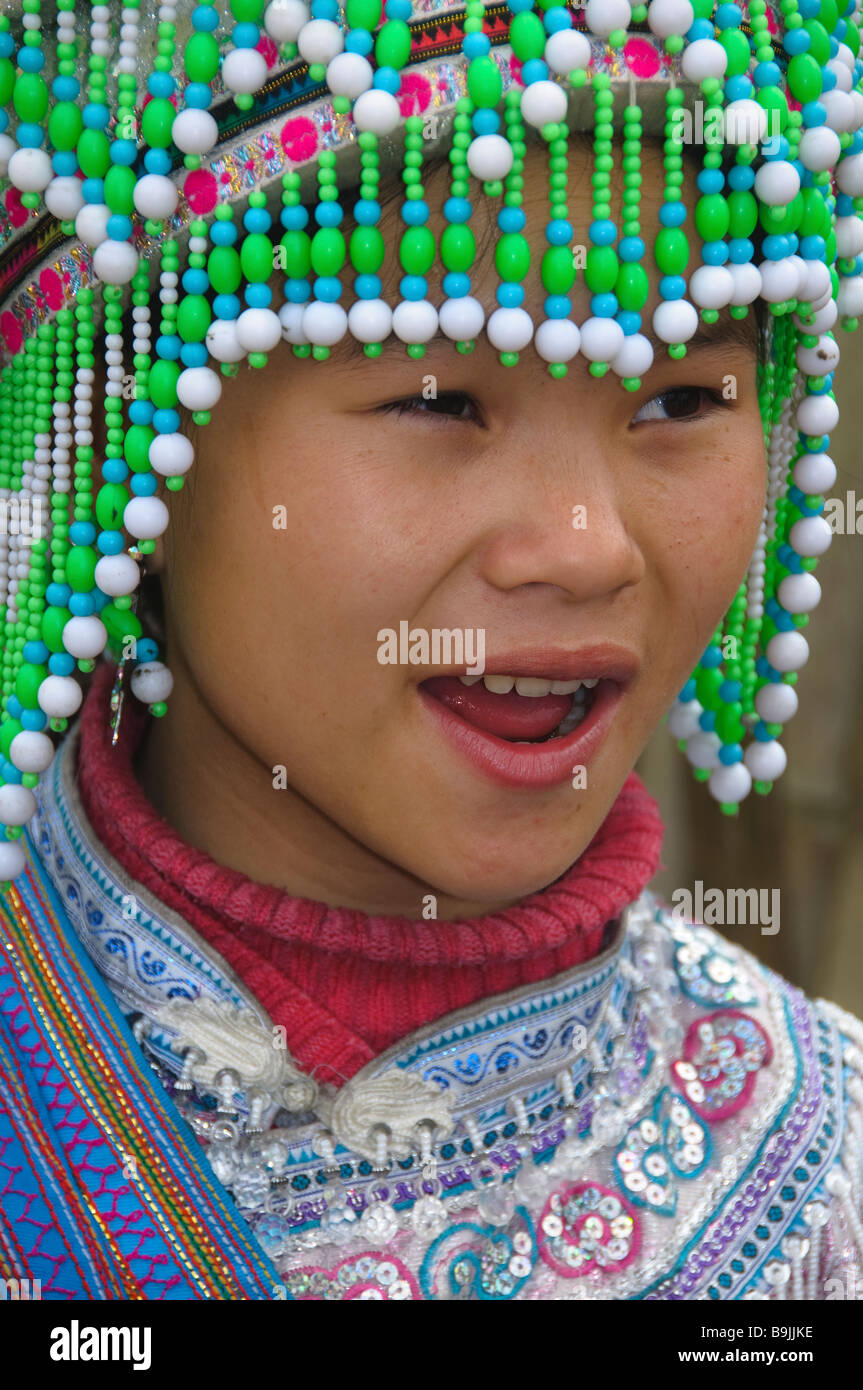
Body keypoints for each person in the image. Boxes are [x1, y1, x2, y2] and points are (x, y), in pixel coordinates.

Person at [1, 0, 862, 1302]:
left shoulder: (832, 1181)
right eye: (436, 399)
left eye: (683, 399)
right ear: (140, 456)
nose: (585, 549)